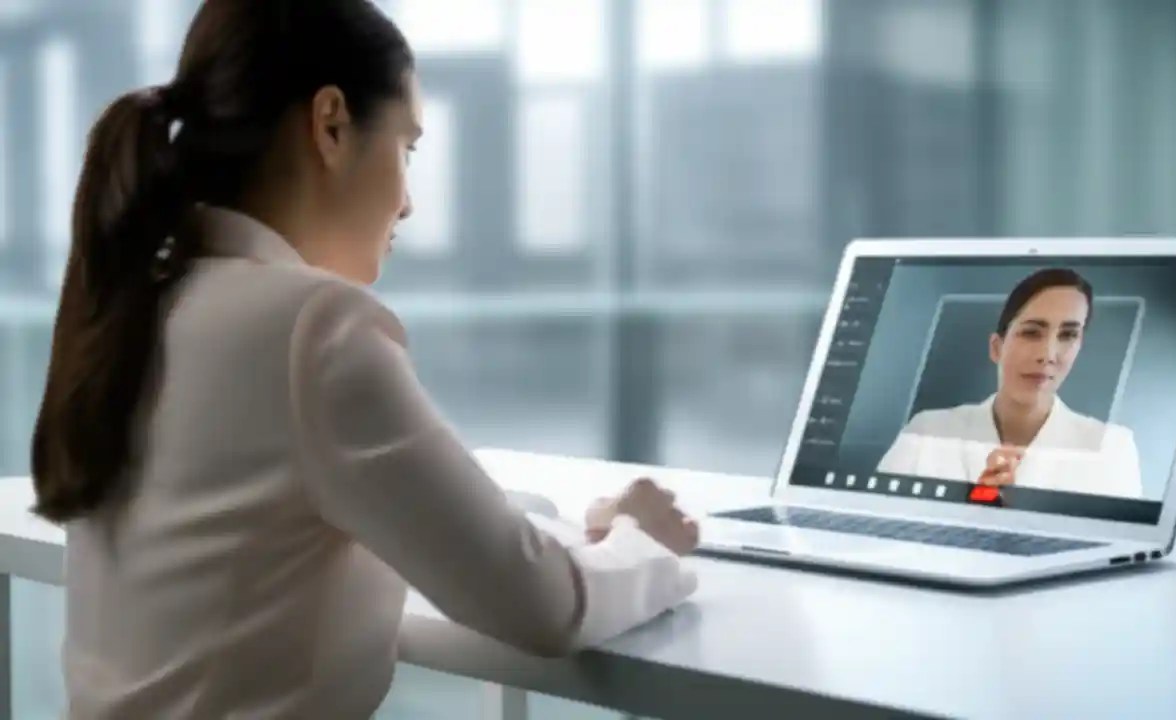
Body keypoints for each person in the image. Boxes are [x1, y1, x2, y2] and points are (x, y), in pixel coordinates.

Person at [29, 2, 698, 717]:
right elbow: (546, 607)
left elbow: (328, 518)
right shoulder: (311, 327)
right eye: (407, 147)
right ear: (332, 124)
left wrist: (538, 523)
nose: (407, 202)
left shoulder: (150, 303)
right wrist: (642, 541)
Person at [876, 268, 1144, 499]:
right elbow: (876, 528)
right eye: (1031, 332)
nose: (1048, 355)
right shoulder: (927, 432)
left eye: (1068, 335)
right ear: (997, 347)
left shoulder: (1112, 448)